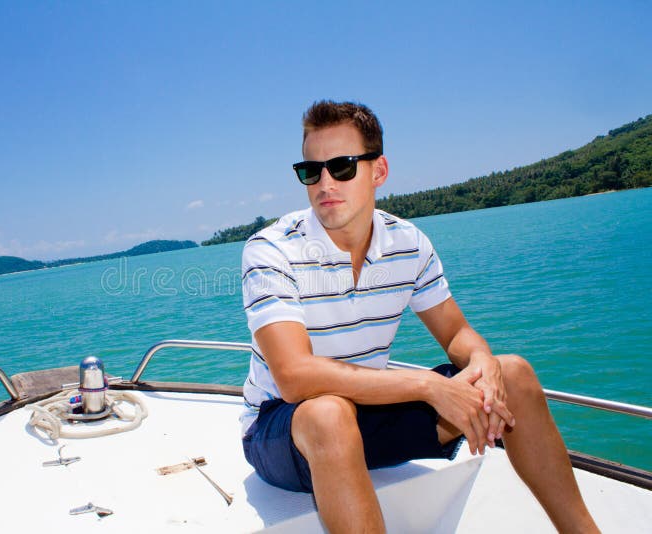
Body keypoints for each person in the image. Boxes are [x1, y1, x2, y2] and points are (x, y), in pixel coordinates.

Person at [240, 100, 598, 533]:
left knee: (514, 374)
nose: (324, 183)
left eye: (342, 167)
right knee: (329, 413)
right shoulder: (272, 250)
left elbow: (458, 333)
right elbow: (295, 376)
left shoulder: (408, 243)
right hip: (283, 430)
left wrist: (482, 364)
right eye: (311, 171)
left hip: (366, 418)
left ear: (378, 171)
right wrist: (430, 387)